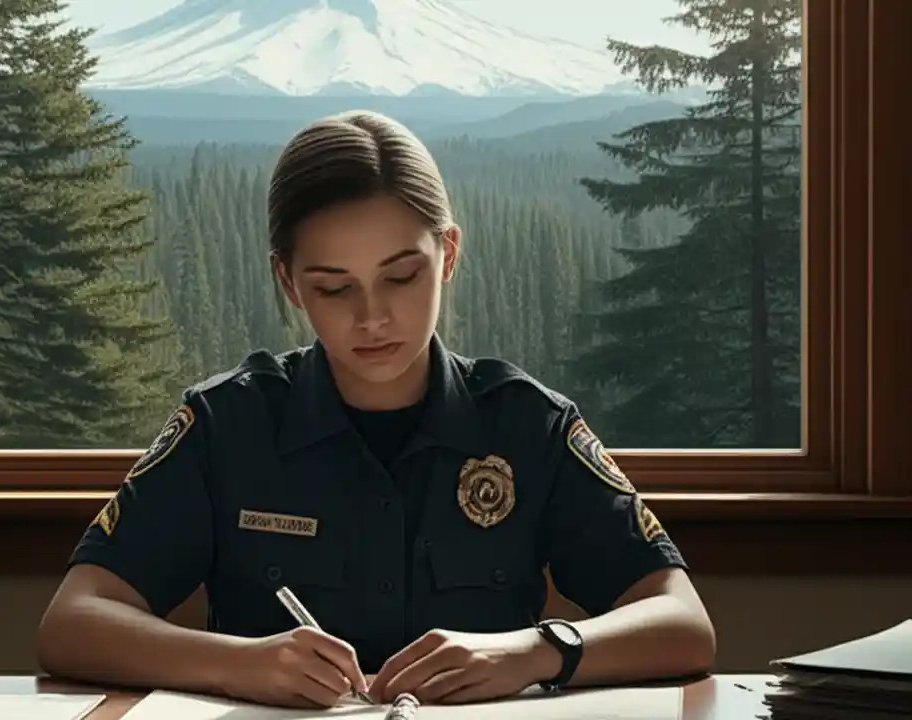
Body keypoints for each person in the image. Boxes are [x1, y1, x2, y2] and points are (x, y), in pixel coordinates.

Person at [36, 110, 716, 709]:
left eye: (401, 276)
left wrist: (534, 653)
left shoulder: (526, 426)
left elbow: (683, 622)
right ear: (288, 282)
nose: (373, 318)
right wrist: (237, 665)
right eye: (334, 288)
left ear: (447, 254)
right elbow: (72, 623)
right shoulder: (228, 426)